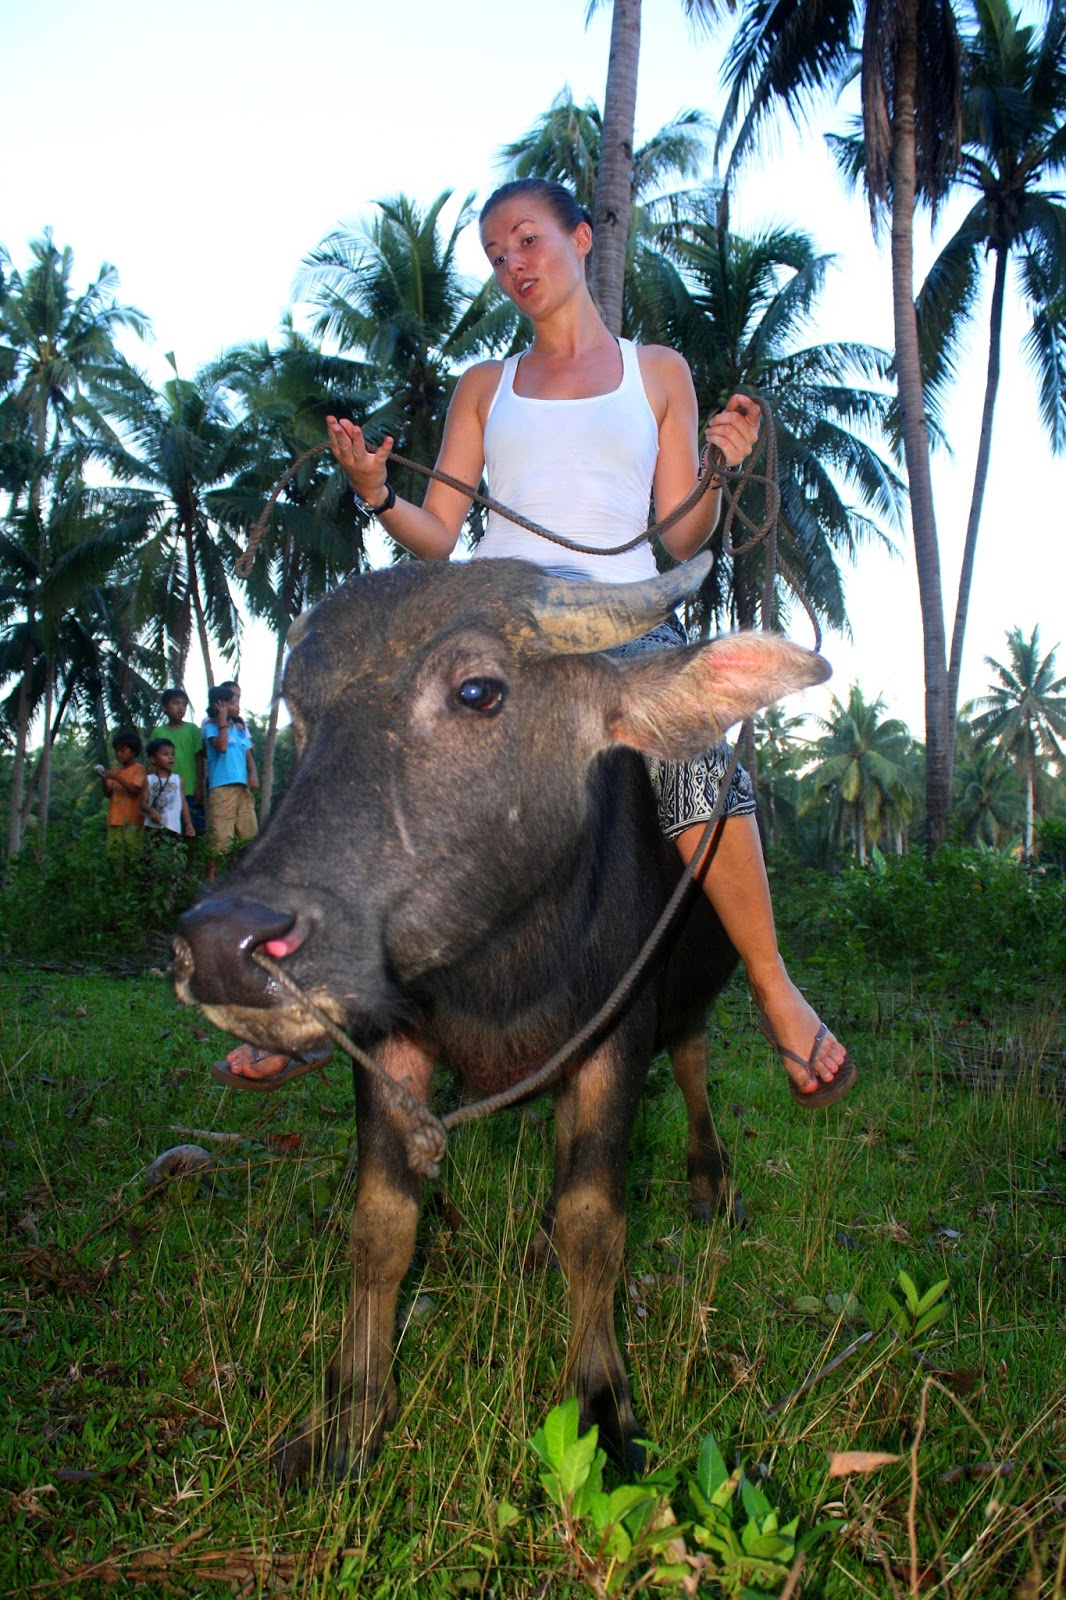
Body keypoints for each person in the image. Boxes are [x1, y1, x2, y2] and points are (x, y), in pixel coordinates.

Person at [226, 177, 853, 1105]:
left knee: (702, 770)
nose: (512, 264)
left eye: (526, 240)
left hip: (615, 629)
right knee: (358, 752)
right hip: (488, 626)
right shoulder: (487, 385)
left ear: (581, 239)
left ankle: (772, 986)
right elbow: (441, 532)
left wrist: (719, 465)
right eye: (495, 255)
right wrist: (374, 491)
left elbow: (682, 538)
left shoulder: (659, 372)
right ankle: (311, 998)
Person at [203, 682, 259, 877]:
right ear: (222, 705)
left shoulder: (239, 727)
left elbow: (246, 753)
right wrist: (222, 722)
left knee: (248, 835)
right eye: (233, 702)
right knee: (220, 840)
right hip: (222, 788)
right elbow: (222, 747)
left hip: (241, 788)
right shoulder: (211, 727)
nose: (238, 705)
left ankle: (241, 881)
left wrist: (253, 773)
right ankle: (212, 883)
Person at [150, 688, 205, 834]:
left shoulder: (192, 729)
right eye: (176, 703)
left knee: (194, 830)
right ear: (164, 707)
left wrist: (199, 786)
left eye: (184, 705)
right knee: (168, 831)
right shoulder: (158, 732)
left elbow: (199, 759)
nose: (181, 708)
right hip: (166, 791)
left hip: (190, 791)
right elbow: (153, 762)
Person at [96, 729, 147, 870]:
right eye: (117, 751)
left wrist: (116, 777)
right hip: (115, 820)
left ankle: (133, 885)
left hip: (132, 820)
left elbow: (134, 790)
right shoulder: (116, 771)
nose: (118, 754)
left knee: (134, 856)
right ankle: (120, 886)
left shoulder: (138, 769)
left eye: (122, 750)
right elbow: (108, 793)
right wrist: (104, 778)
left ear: (133, 751)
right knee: (116, 858)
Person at [143, 737, 196, 840]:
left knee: (172, 854)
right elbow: (142, 802)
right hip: (152, 828)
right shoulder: (148, 780)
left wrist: (188, 824)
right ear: (153, 759)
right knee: (152, 855)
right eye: (165, 754)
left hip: (173, 828)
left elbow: (183, 803)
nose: (170, 757)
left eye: (172, 754)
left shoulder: (177, 779)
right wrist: (151, 811)